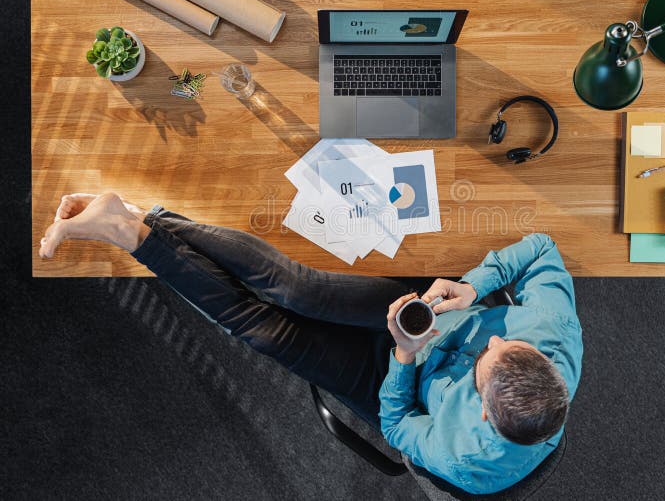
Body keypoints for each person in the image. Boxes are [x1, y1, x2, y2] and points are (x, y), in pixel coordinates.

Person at [39, 192, 582, 495]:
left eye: (481, 370)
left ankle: (129, 233)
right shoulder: (551, 332)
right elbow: (542, 250)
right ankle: (149, 216)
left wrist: (404, 355)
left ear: (484, 415)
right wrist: (475, 287)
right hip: (440, 313)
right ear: (544, 362)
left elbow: (394, 425)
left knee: (262, 329)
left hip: (398, 383)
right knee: (295, 288)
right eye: (500, 346)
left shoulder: (466, 456)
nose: (487, 349)